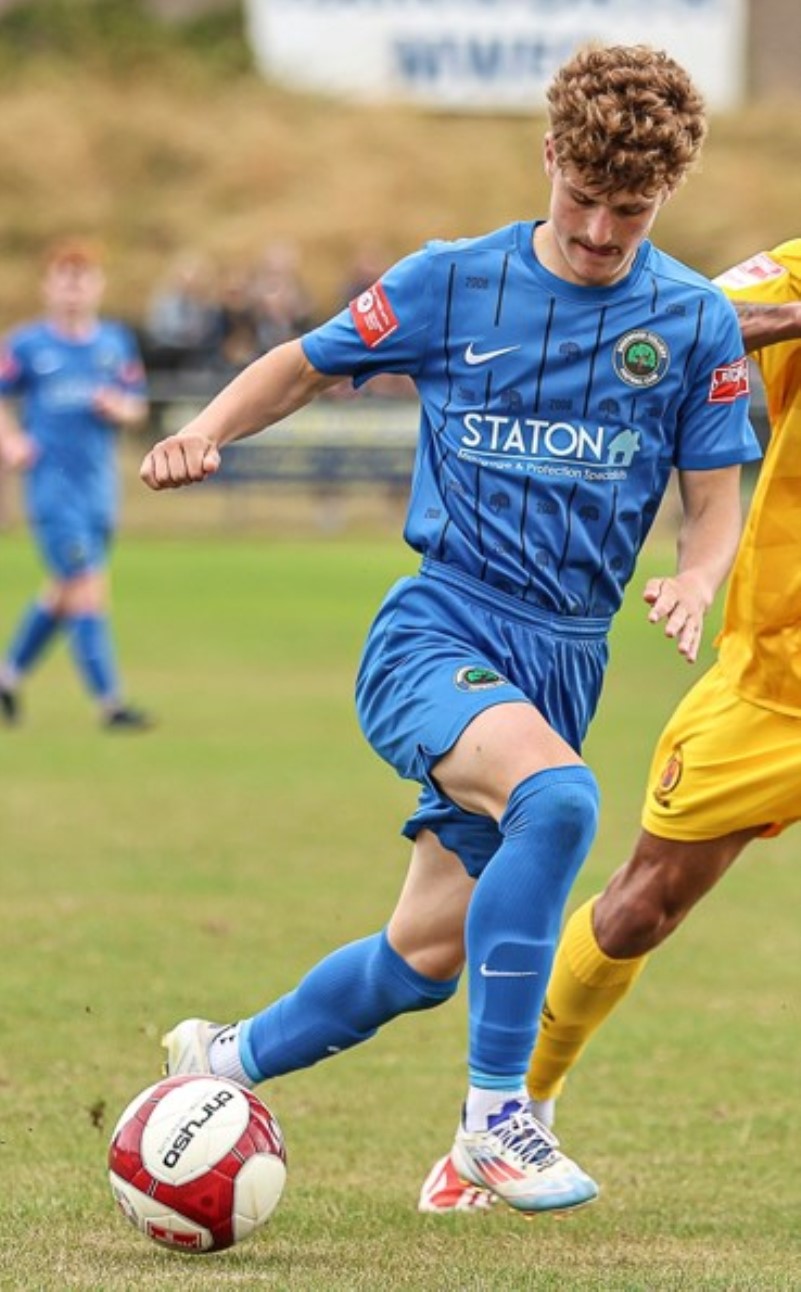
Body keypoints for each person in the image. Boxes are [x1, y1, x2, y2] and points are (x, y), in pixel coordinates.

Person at [140, 45, 760, 1216]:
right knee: (565, 801)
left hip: (565, 655)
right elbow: (303, 364)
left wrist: (697, 576)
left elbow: (714, 502)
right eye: (582, 200)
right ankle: (494, 1120)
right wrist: (207, 430)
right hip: (441, 625)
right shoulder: (452, 280)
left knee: (423, 958)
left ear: (666, 193)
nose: (597, 232)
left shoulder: (690, 322)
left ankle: (220, 1060)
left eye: (628, 211)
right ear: (548, 158)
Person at [419, 238, 801, 1212]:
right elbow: (673, 328)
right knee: (640, 907)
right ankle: (510, 1110)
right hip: (775, 690)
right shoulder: (795, 270)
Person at [0, 238, 152, 730]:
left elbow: (138, 407)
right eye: (64, 279)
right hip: (52, 488)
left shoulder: (114, 344)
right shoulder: (27, 345)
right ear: (48, 286)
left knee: (63, 594)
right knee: (87, 587)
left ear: (97, 287)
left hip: (98, 489)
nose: (73, 289)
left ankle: (7, 677)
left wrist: (119, 408)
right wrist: (12, 441)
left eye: (82, 279)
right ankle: (111, 704)